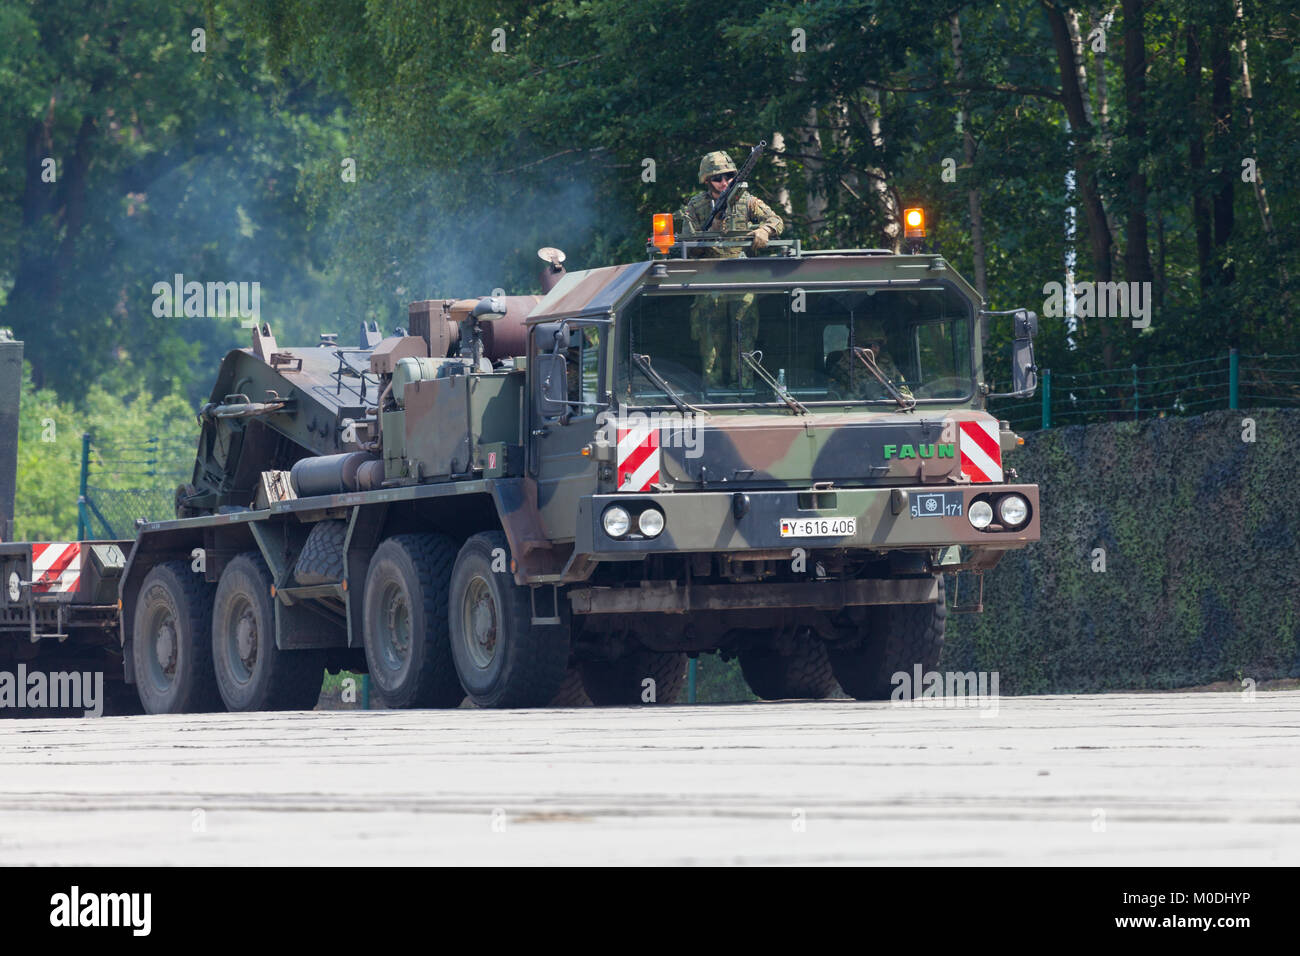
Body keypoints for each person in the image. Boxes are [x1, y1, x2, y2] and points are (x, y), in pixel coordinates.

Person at [678, 151, 784, 258]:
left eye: (729, 176)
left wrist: (765, 230)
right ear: (706, 181)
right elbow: (688, 249)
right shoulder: (696, 206)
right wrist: (712, 230)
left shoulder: (747, 200)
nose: (724, 183)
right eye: (717, 178)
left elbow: (776, 220)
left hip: (743, 267)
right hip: (708, 269)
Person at [826, 319, 913, 401]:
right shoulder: (842, 366)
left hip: (890, 409)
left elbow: (904, 391)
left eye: (878, 344)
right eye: (868, 345)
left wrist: (898, 396)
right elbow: (835, 397)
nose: (874, 349)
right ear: (856, 345)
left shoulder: (887, 363)